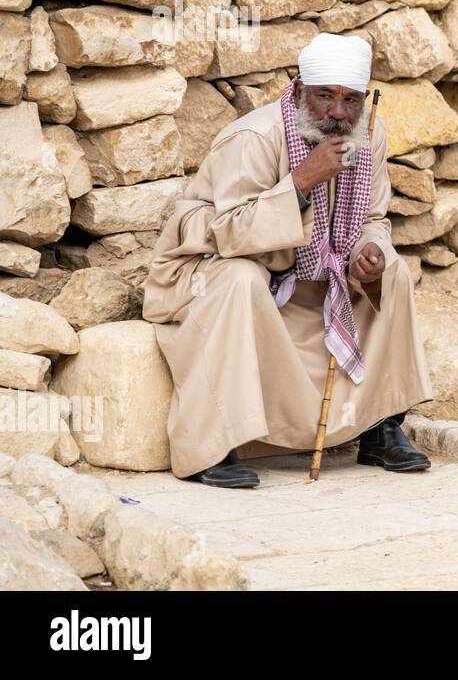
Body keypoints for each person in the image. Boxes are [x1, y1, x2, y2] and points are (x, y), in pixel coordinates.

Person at [142, 33, 434, 488]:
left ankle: (379, 427)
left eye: (350, 100)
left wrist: (368, 253)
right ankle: (213, 445)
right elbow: (230, 231)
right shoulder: (256, 136)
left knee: (392, 271)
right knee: (241, 278)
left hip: (308, 275)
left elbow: (373, 218)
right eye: (325, 97)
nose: (338, 113)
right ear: (299, 91)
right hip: (209, 267)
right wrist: (300, 181)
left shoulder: (368, 134)